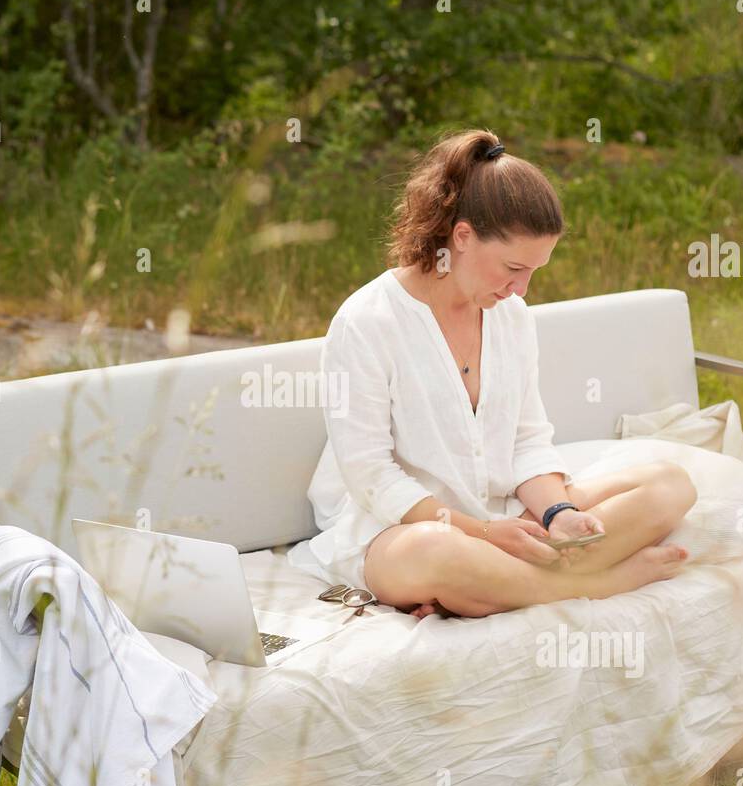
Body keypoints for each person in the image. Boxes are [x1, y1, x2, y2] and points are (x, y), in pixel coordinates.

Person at [286, 128, 696, 619]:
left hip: (503, 519)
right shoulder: (368, 322)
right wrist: (478, 533)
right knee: (437, 553)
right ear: (462, 237)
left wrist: (558, 513)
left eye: (533, 272)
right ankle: (599, 583)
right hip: (399, 532)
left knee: (670, 485)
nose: (521, 289)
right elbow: (371, 476)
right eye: (513, 267)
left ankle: (492, 587)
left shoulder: (511, 316)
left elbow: (526, 440)